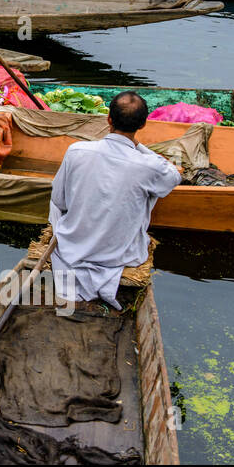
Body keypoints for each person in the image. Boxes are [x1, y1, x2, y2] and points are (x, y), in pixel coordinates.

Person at [49, 91, 180, 309]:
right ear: (143, 124)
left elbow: (59, 201)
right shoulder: (149, 165)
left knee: (55, 203)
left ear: (109, 118)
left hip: (72, 247)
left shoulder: (77, 150)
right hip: (121, 255)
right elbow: (173, 177)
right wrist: (138, 146)